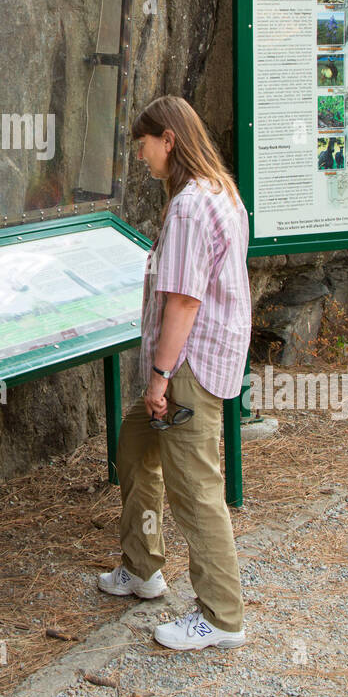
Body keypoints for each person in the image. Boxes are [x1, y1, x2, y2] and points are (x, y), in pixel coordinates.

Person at [97, 95, 252, 651]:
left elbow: (184, 301)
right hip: (197, 361)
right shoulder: (222, 192)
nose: (140, 157)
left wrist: (161, 376)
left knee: (195, 490)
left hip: (186, 366)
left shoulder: (189, 205)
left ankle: (221, 616)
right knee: (136, 447)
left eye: (142, 145)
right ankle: (142, 570)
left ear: (168, 139)